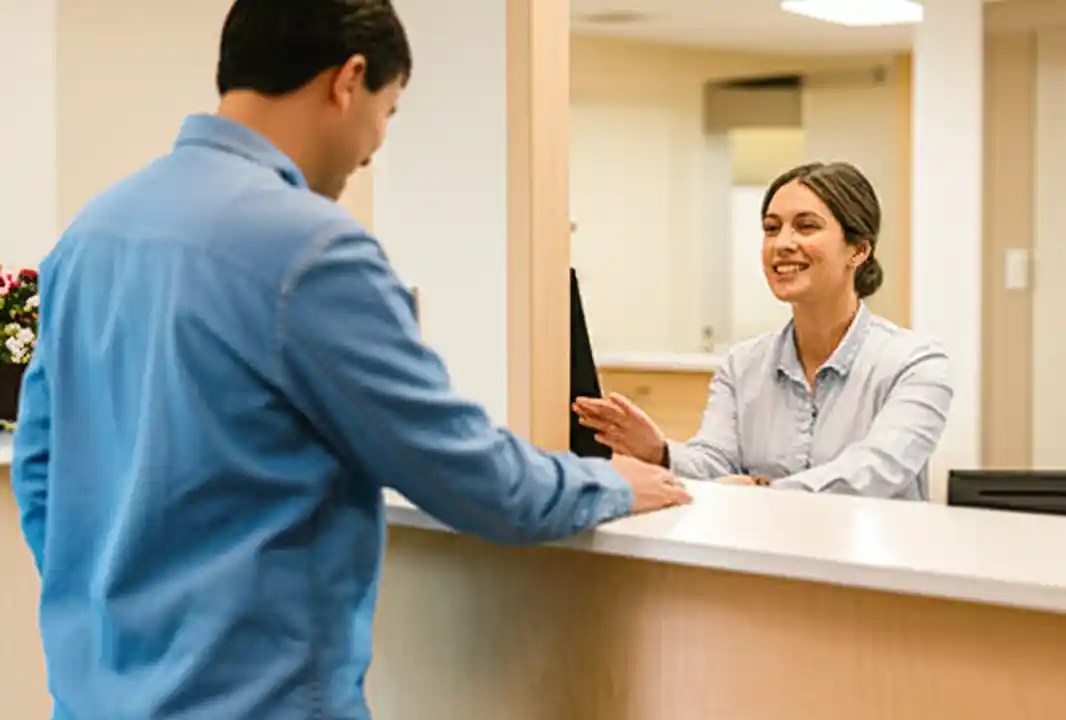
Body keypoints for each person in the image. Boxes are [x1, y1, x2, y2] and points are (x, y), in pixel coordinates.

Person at [9, 1, 689, 718]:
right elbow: (469, 475)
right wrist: (605, 484)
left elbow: (40, 466)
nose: (373, 147)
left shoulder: (93, 232)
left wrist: (107, 627)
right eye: (387, 113)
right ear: (348, 80)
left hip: (93, 699)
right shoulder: (310, 249)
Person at [575, 161, 952, 499]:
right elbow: (717, 462)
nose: (782, 244)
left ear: (858, 251)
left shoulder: (916, 364)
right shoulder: (743, 365)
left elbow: (874, 472)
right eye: (772, 229)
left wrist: (764, 493)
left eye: (806, 226)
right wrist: (660, 452)